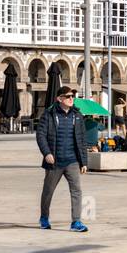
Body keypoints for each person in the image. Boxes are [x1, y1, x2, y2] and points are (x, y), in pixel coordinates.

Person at [35, 85, 89, 232]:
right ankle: (44, 217)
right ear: (60, 99)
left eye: (73, 96)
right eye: (68, 96)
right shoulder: (49, 114)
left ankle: (76, 222)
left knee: (77, 190)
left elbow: (82, 139)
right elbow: (40, 135)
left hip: (72, 160)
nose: (72, 99)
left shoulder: (77, 116)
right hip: (55, 161)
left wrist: (83, 161)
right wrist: (47, 153)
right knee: (48, 191)